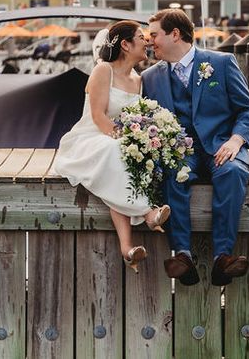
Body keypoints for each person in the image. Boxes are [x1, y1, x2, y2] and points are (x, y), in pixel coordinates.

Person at [142, 8, 249, 287]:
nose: (149, 42)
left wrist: (236, 140)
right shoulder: (150, 78)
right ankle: (182, 255)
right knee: (170, 171)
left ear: (175, 34)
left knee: (231, 172)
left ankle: (223, 258)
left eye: (154, 35)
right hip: (181, 151)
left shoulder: (220, 63)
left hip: (222, 145)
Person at [53, 20, 171, 272]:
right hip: (90, 137)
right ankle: (149, 214)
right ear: (126, 44)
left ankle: (127, 248)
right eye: (141, 37)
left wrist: (136, 141)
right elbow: (98, 116)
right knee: (118, 154)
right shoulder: (103, 70)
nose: (147, 41)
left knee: (122, 160)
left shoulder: (139, 80)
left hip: (118, 142)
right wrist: (126, 142)